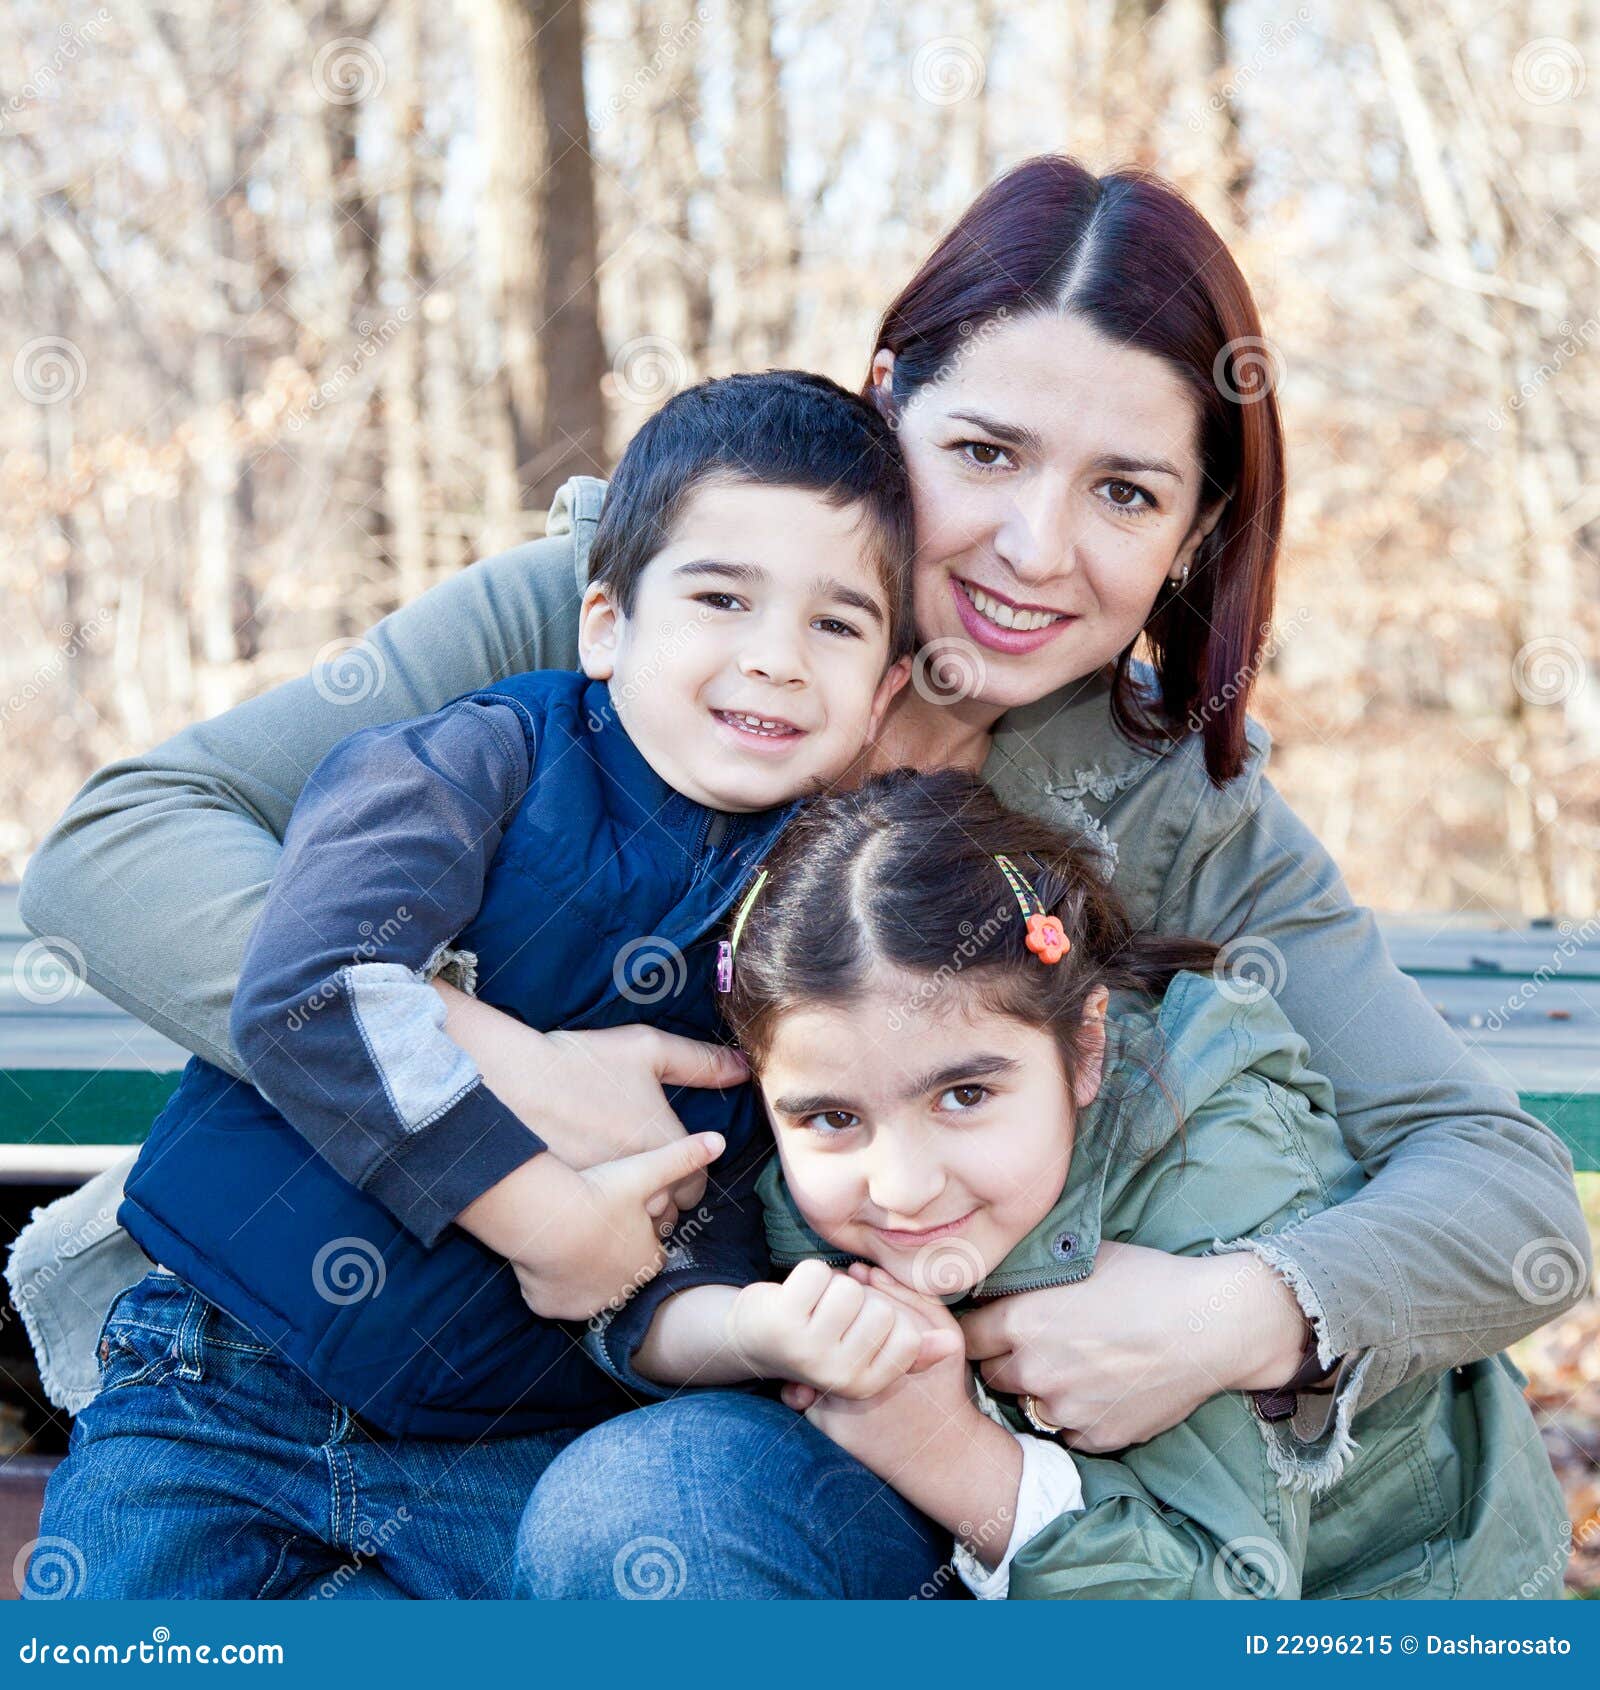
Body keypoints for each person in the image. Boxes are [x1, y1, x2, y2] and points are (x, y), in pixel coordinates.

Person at [14, 157, 1590, 1600]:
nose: (1036, 549)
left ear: (1193, 531)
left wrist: (1231, 1314)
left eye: (1125, 491)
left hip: (923, 1452)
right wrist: (500, 1062)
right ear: (886, 404)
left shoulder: (1178, 808)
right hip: (407, 1357)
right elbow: (125, 842)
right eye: (984, 452)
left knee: (647, 1518)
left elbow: (1508, 1189)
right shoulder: (630, 607)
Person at [26, 370, 954, 1600]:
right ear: (607, 623)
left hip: (513, 1435)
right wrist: (542, 1216)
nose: (775, 660)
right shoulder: (482, 757)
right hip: (228, 1381)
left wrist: (735, 1320)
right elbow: (316, 990)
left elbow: (715, 1210)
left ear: (887, 688)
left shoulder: (826, 906)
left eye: (836, 626)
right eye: (721, 597)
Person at [643, 768, 1567, 1599]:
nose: (904, 1188)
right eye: (834, 1119)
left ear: (1085, 1048)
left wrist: (955, 1459)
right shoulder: (805, 1188)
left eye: (964, 1095)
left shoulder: (1219, 1174)